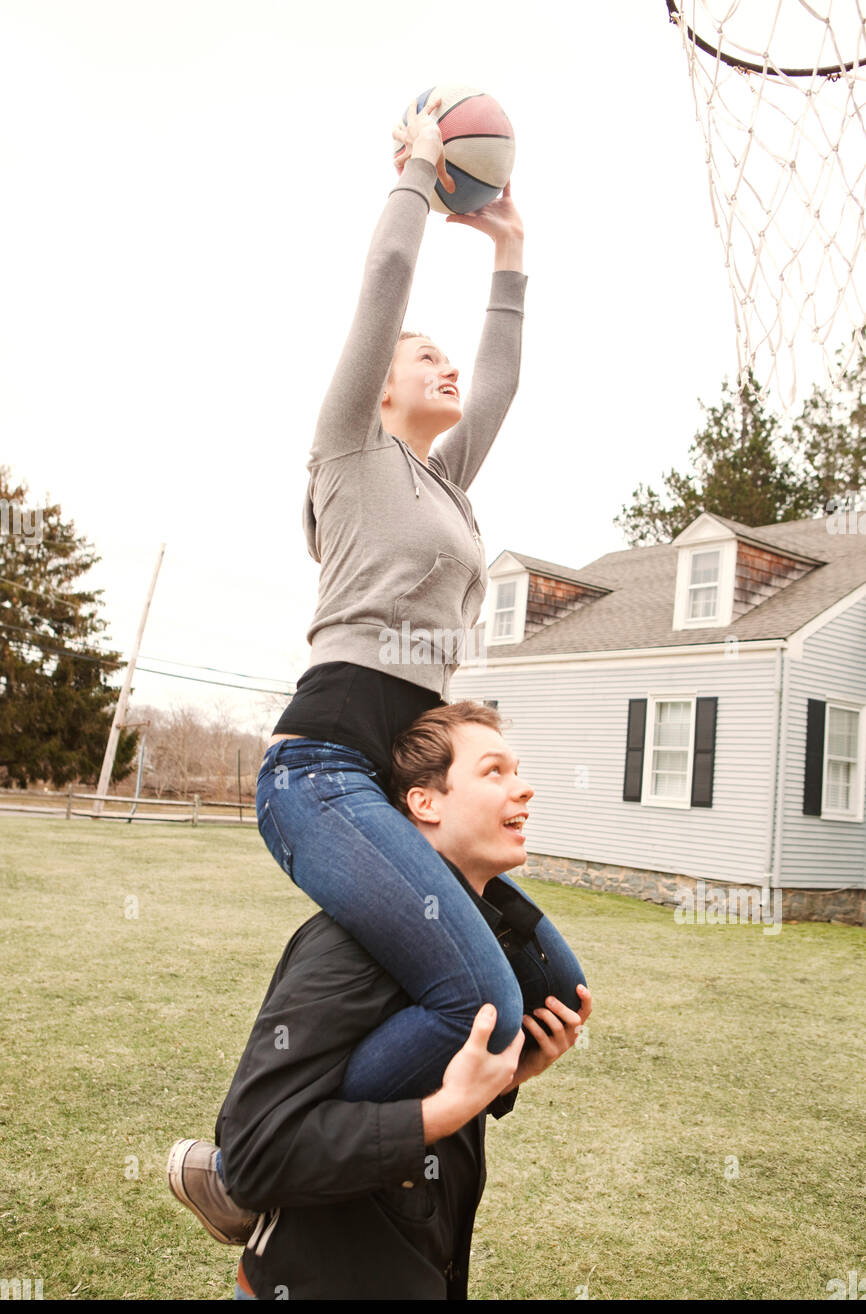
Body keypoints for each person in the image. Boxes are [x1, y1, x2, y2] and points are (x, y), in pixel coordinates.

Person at [253, 93, 586, 1104]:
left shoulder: (447, 484)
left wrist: (510, 251)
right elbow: (388, 277)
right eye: (422, 356)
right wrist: (416, 168)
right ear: (380, 387)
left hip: (400, 780)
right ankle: (267, 1148)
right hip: (321, 773)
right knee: (478, 996)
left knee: (551, 987)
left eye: (446, 355)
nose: (445, 365)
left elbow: (500, 383)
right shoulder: (349, 450)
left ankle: (416, 1138)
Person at [168, 702, 592, 1300]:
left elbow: (408, 1083)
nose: (524, 787)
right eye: (494, 771)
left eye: (517, 770)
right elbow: (258, 1153)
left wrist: (506, 1075)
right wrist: (442, 1113)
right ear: (425, 803)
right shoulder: (348, 946)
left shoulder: (477, 941)